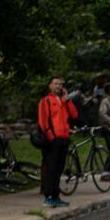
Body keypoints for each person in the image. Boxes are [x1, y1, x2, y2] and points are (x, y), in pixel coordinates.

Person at [37, 76, 78, 208]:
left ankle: (56, 196)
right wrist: (51, 137)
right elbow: (43, 122)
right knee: (51, 168)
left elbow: (74, 115)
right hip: (53, 139)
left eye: (61, 84)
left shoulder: (64, 101)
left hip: (64, 138)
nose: (58, 86)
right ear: (50, 86)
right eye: (56, 84)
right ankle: (48, 196)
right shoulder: (46, 101)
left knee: (59, 168)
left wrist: (67, 100)